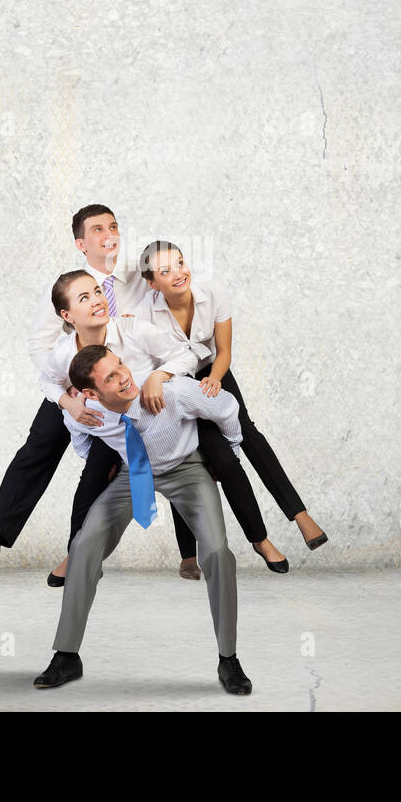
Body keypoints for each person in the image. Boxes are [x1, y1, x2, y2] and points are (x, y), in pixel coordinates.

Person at [33, 344, 253, 695]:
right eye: (111, 376)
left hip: (186, 469)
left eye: (120, 365)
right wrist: (103, 465)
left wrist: (229, 454)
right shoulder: (85, 410)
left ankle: (229, 659)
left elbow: (227, 407)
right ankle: (67, 655)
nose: (124, 377)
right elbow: (81, 441)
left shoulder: (171, 392)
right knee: (84, 545)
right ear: (91, 393)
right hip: (132, 475)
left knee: (217, 551)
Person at [44, 272, 288, 583]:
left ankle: (259, 539)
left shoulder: (132, 329)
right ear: (67, 316)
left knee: (225, 463)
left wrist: (159, 377)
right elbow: (47, 383)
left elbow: (184, 356)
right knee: (91, 479)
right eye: (84, 298)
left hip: (168, 410)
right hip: (119, 424)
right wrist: (69, 403)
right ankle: (77, 556)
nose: (96, 300)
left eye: (96, 292)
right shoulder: (64, 354)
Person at [0, 204, 146, 565]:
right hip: (73, 386)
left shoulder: (137, 280)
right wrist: (66, 394)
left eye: (113, 226)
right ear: (81, 244)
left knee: (102, 470)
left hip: (122, 391)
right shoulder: (69, 286)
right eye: (97, 230)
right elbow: (40, 345)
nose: (108, 234)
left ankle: (82, 556)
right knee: (37, 449)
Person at [135, 240, 328, 570]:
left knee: (248, 432)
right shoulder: (145, 314)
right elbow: (155, 362)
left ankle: (299, 514)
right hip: (174, 382)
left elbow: (223, 351)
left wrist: (216, 379)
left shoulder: (212, 293)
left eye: (180, 263)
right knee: (212, 459)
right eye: (165, 271)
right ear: (152, 283)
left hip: (212, 369)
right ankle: (258, 540)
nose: (179, 273)